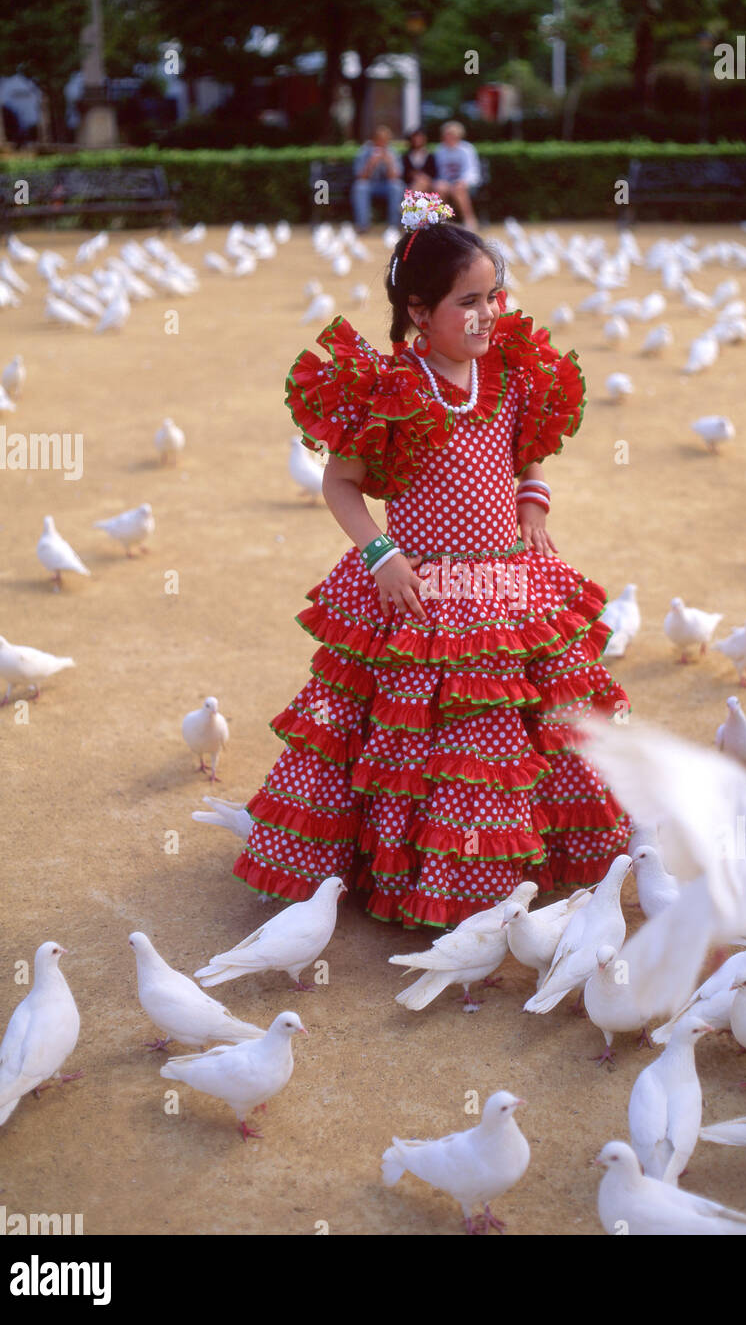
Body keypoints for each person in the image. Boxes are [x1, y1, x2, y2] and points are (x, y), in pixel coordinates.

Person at [230, 190, 634, 929]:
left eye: (494, 297)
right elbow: (340, 483)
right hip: (415, 594)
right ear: (419, 312)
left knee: (512, 736)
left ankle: (524, 862)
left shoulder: (512, 376)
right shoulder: (389, 392)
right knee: (419, 742)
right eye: (467, 302)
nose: (487, 314)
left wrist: (533, 504)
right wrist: (381, 556)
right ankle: (429, 875)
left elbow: (529, 457)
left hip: (506, 588)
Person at [350, 124, 404, 234]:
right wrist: (371, 164)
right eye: (379, 139)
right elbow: (360, 177)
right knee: (360, 187)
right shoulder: (364, 151)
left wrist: (389, 163)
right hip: (369, 185)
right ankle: (363, 225)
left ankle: (393, 226)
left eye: (385, 140)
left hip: (386, 186)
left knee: (397, 187)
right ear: (374, 139)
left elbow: (395, 177)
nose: (382, 142)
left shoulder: (392, 152)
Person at [432, 121, 481, 229]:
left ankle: (469, 220)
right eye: (446, 135)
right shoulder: (439, 150)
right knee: (439, 188)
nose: (448, 138)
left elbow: (472, 170)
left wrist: (464, 181)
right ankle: (444, 220)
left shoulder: (467, 149)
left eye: (451, 136)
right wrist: (441, 181)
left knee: (458, 189)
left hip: (465, 183)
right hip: (446, 182)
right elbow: (438, 171)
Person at [401, 126, 436, 191]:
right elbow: (404, 173)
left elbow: (433, 173)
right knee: (419, 183)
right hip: (411, 183)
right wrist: (413, 175)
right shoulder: (406, 156)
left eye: (420, 138)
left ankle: (410, 199)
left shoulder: (430, 156)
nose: (417, 140)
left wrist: (422, 176)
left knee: (422, 182)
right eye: (415, 138)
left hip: (427, 183)